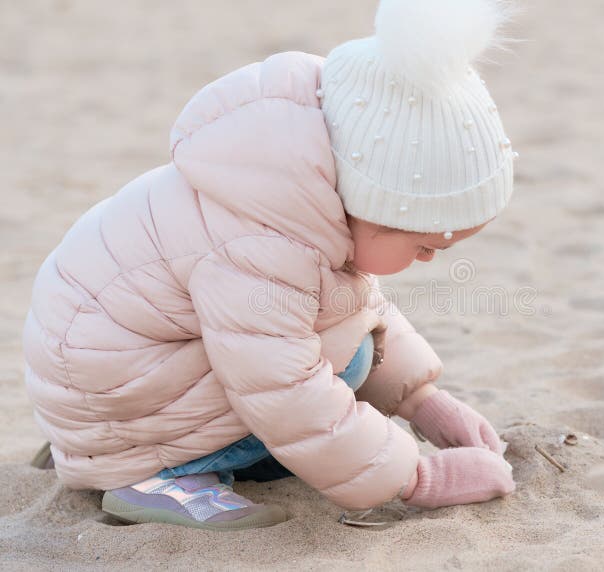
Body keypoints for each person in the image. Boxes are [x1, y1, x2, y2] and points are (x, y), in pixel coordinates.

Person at [23, 0, 518, 530]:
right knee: (333, 368)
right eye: (424, 246)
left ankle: (128, 444)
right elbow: (284, 393)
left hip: (122, 374)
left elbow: (349, 309)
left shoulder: (299, 191)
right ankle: (151, 473)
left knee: (342, 356)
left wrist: (423, 402)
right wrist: (417, 479)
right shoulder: (260, 246)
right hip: (113, 394)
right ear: (371, 207)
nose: (425, 261)